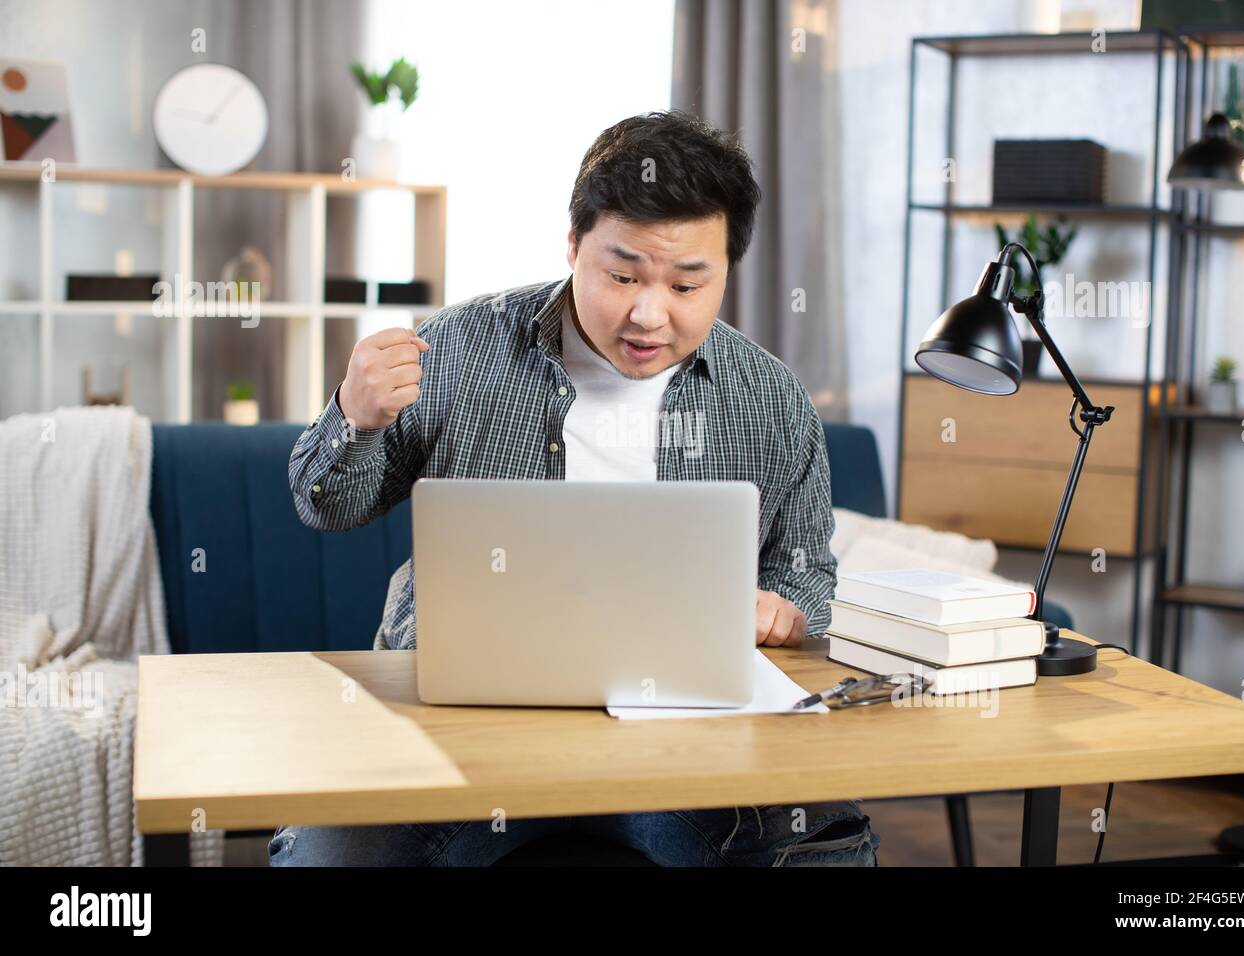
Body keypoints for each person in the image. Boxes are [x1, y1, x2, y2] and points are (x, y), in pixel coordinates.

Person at [272, 110, 878, 867]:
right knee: (332, 853)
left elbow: (807, 573)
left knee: (819, 842)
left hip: (686, 743)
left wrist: (785, 609)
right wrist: (352, 418)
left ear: (727, 268)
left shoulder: (770, 398)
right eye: (622, 276)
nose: (649, 314)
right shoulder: (458, 350)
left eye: (688, 283)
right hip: (466, 724)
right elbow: (323, 505)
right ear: (572, 245)